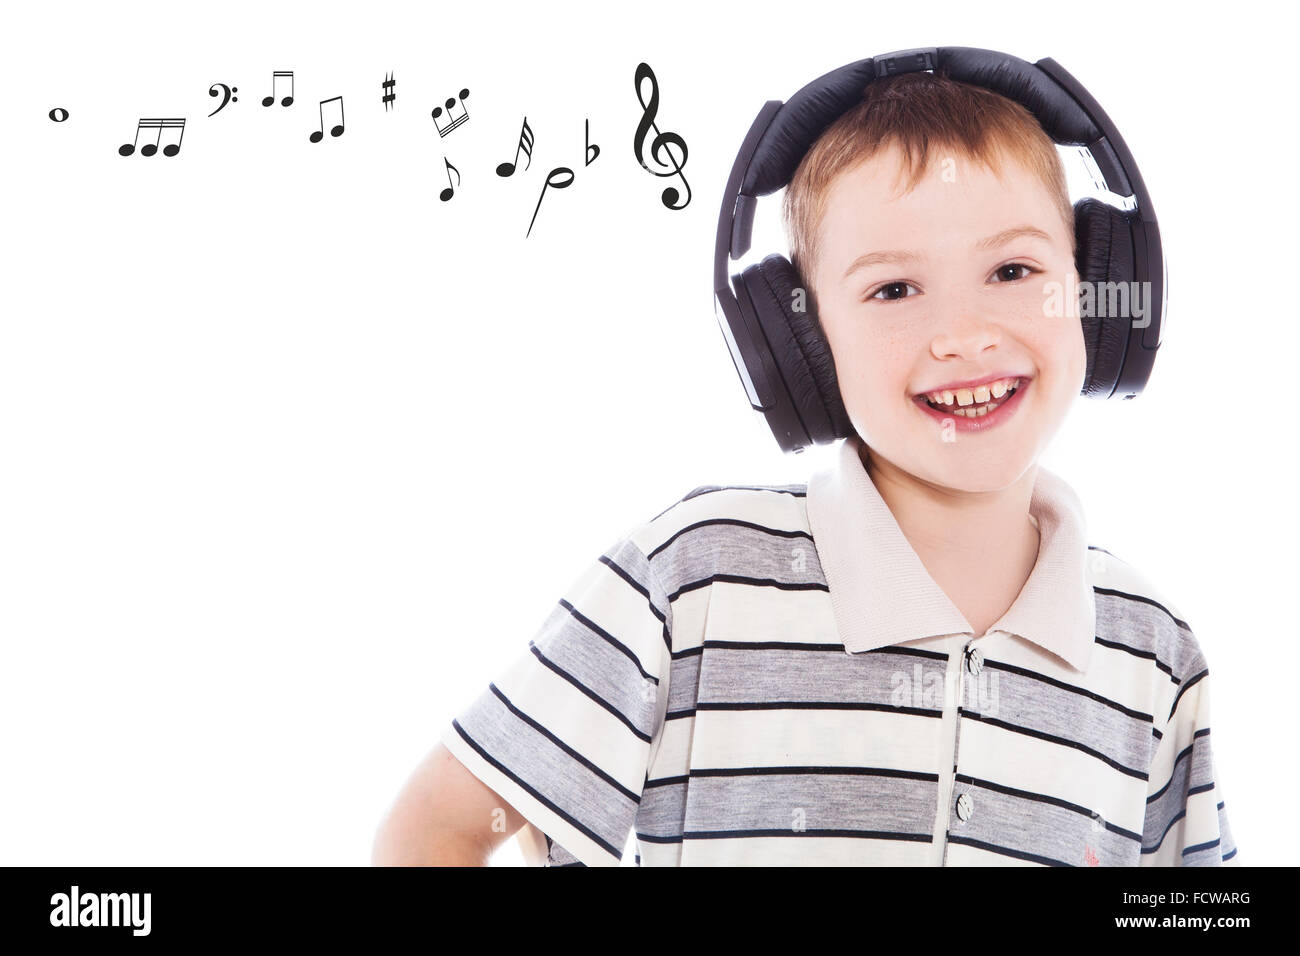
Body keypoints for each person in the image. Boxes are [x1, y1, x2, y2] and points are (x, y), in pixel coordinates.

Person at [371, 65, 1237, 867]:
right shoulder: (692, 579)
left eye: (1013, 270)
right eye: (894, 290)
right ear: (798, 348)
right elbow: (439, 828)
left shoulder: (1152, 651)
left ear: (1095, 291)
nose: (965, 334)